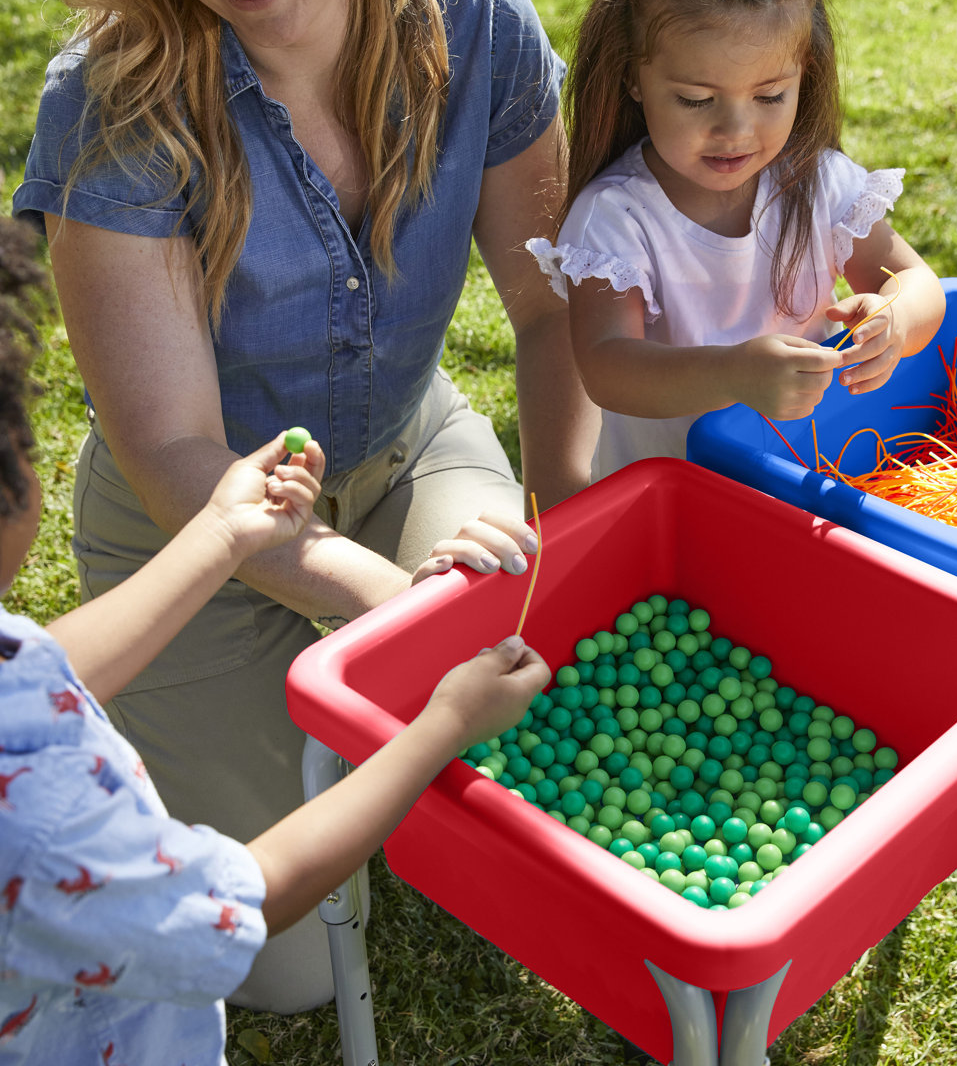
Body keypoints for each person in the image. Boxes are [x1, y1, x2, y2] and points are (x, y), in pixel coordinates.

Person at [11, 0, 595, 1012]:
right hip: (194, 535)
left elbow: (549, 309)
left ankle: (379, 743)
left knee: (524, 718)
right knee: (285, 974)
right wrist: (397, 603)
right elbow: (178, 453)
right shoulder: (111, 98)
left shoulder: (479, 22)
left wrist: (566, 518)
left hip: (404, 454)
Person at [0, 215, 552, 1064]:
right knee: (287, 968)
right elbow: (247, 900)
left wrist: (220, 533)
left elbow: (40, 670)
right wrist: (439, 726)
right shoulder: (41, 820)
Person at [527, 0, 946, 479]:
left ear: (805, 71)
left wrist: (894, 321)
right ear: (633, 78)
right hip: (673, 502)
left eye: (770, 94)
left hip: (802, 480)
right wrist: (733, 373)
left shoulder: (817, 183)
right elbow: (607, 367)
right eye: (696, 99)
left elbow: (916, 280)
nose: (736, 130)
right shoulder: (618, 217)